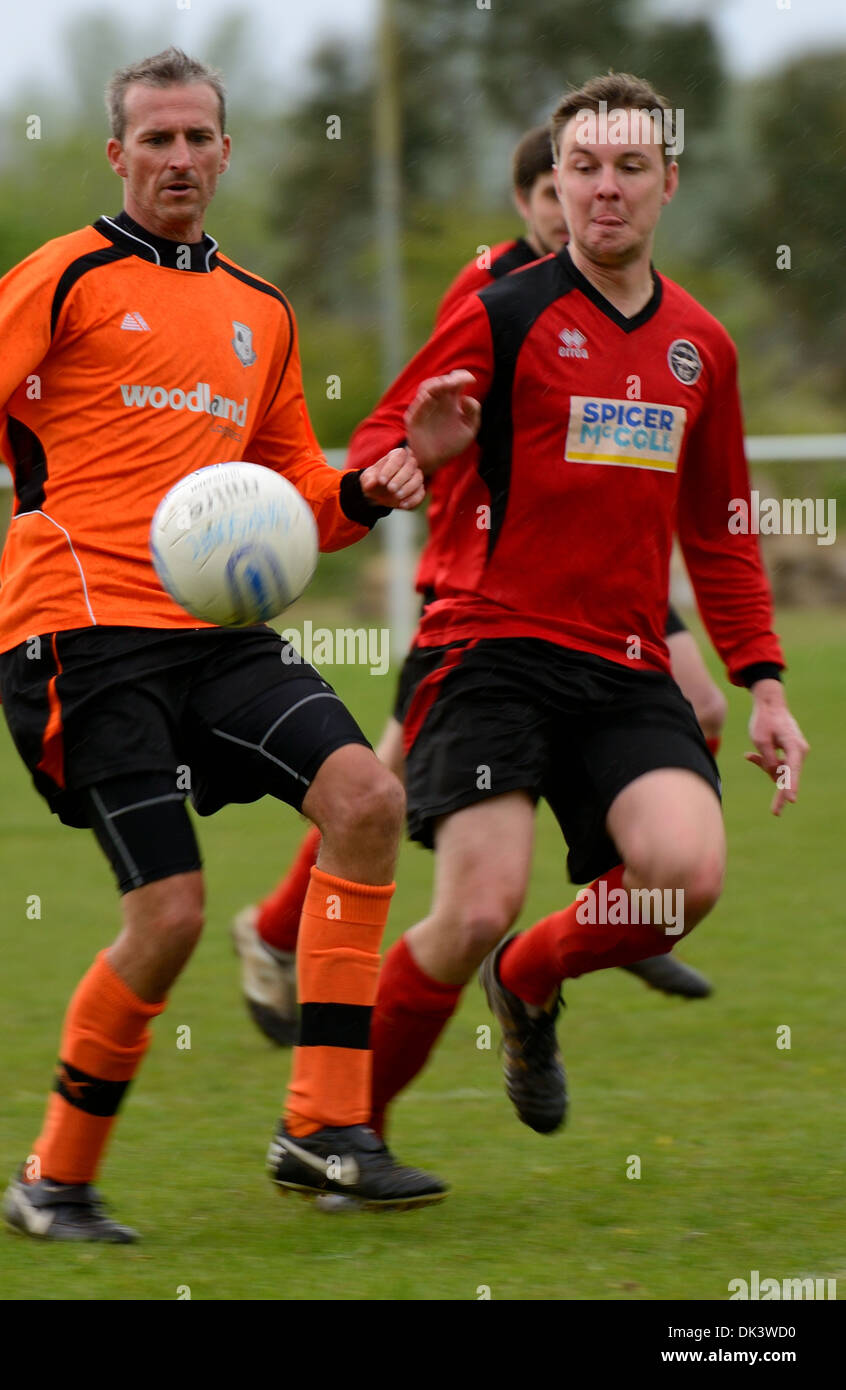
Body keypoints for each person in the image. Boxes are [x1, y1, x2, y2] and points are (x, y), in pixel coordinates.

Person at [0, 47, 447, 1237]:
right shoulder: (67, 275)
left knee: (366, 799)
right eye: (157, 139)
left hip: (217, 636)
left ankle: (325, 1127)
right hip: (79, 638)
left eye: (198, 138)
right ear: (117, 153)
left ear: (227, 152)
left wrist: (379, 486)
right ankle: (54, 1178)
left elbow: (299, 501)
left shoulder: (260, 312)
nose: (178, 157)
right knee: (170, 914)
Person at [326, 72, 809, 1145]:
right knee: (473, 904)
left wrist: (761, 683)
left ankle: (528, 978)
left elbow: (721, 528)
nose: (602, 190)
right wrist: (406, 459)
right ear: (555, 181)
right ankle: (335, 1132)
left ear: (666, 183)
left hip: (624, 663)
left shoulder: (701, 349)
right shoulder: (501, 314)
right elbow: (371, 444)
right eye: (580, 168)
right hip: (488, 650)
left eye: (628, 168)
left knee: (681, 880)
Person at [234, 123, 722, 1049]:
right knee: (380, 784)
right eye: (557, 187)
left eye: (607, 177)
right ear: (531, 201)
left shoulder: (640, 306)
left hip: (592, 586)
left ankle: (626, 906)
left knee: (695, 705)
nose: (575, 202)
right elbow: (414, 424)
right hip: (479, 591)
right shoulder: (497, 293)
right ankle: (271, 935)